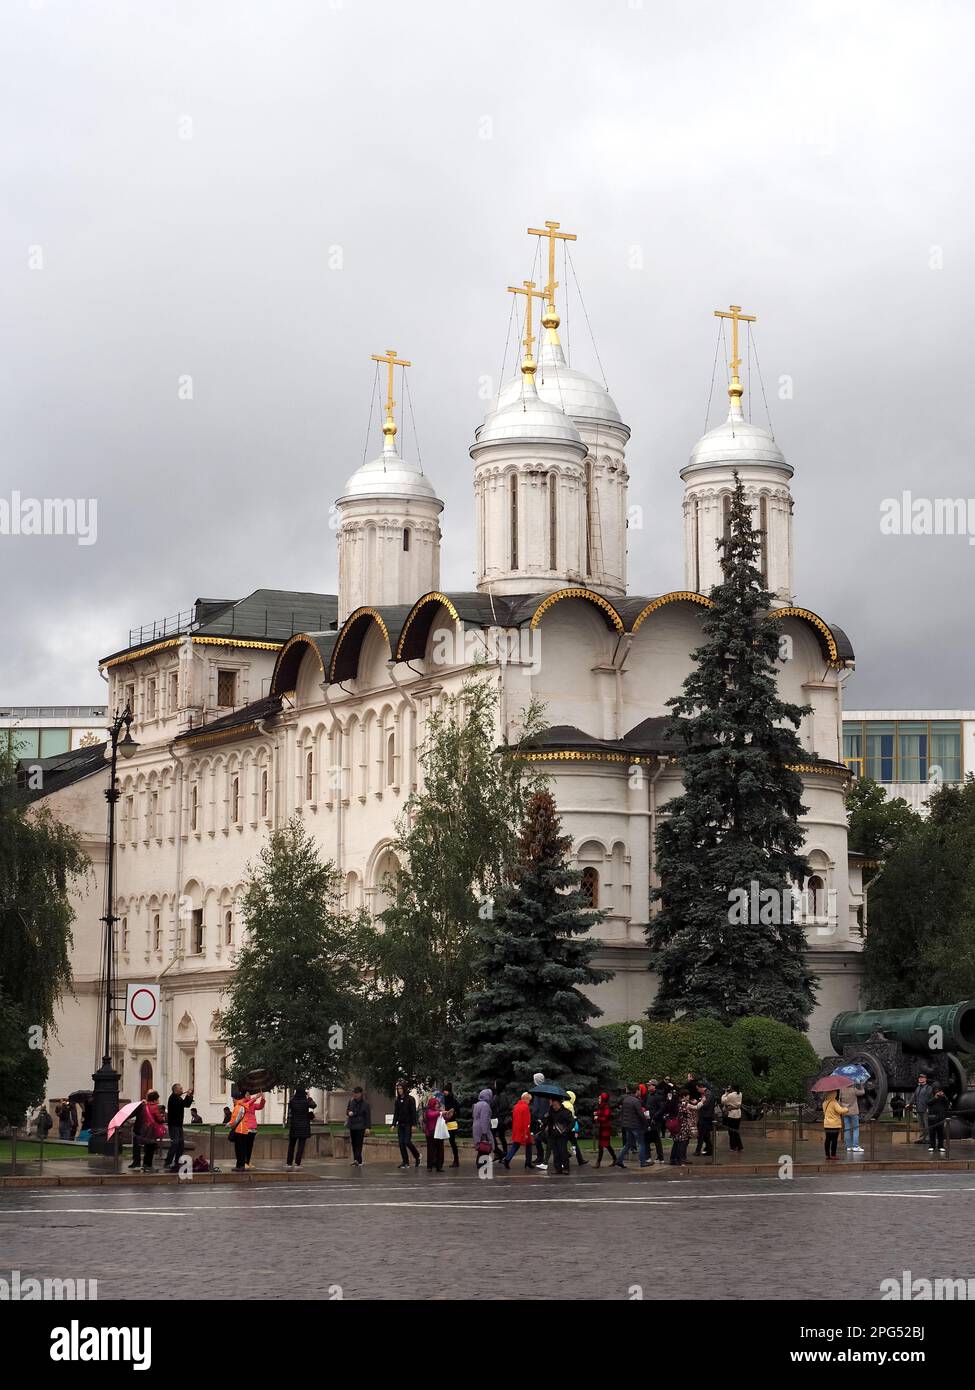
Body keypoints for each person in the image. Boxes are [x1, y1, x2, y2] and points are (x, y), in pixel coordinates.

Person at [615, 1083, 651, 1167]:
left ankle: (619, 1159)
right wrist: (646, 1124)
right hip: (636, 1125)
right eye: (639, 1090)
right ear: (637, 1090)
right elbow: (641, 1115)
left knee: (628, 1143)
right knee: (641, 1143)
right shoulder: (636, 1101)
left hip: (627, 1125)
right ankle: (643, 1161)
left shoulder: (626, 1100)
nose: (640, 1092)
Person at [163, 1083, 194, 1171]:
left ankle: (178, 1161)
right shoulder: (173, 1098)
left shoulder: (178, 1098)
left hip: (178, 1125)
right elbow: (183, 1104)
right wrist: (188, 1095)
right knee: (175, 1144)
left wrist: (189, 1096)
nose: (182, 1090)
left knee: (180, 1144)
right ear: (176, 1090)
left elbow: (187, 1104)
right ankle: (168, 1162)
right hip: (174, 1126)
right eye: (180, 1088)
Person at [286, 1086, 317, 1169]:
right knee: (301, 1146)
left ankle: (289, 1163)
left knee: (291, 1145)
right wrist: (309, 1097)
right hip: (304, 1127)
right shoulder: (306, 1102)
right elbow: (314, 1105)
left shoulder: (292, 1101)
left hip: (294, 1126)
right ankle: (297, 1163)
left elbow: (290, 1110)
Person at [503, 1092, 535, 1169]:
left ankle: (508, 1159)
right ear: (526, 1099)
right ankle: (527, 1162)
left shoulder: (516, 1106)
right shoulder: (525, 1107)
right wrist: (526, 1131)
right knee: (528, 1145)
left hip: (516, 1129)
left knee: (516, 1145)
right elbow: (527, 1121)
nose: (529, 1102)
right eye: (529, 1100)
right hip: (524, 1130)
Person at [393, 1081, 420, 1169]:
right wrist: (393, 1124)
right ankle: (405, 1162)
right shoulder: (397, 1100)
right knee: (401, 1143)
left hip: (408, 1123)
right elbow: (396, 1113)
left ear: (404, 1089)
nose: (399, 1090)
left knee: (407, 1141)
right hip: (400, 1124)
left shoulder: (410, 1099)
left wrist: (414, 1124)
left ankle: (417, 1155)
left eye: (401, 1088)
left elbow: (413, 1113)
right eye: (398, 1089)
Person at [541, 1099, 573, 1175]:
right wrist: (545, 1118)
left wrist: (566, 1130)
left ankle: (566, 1168)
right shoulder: (550, 1112)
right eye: (553, 1105)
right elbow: (546, 1122)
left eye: (556, 1105)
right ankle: (558, 1169)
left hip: (562, 1135)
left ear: (559, 1104)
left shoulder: (566, 1112)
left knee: (563, 1152)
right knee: (556, 1153)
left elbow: (572, 1122)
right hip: (552, 1134)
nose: (554, 1107)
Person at [137, 1090, 166, 1172]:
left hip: (144, 1128)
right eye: (157, 1099)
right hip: (151, 1129)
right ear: (154, 1100)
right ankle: (148, 1165)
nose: (158, 1100)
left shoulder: (144, 1106)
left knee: (147, 1147)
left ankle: (145, 1164)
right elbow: (159, 1119)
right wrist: (162, 1118)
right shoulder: (154, 1107)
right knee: (151, 1147)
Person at [345, 1086, 371, 1166]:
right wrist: (348, 1112)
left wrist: (367, 1127)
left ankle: (357, 1159)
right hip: (352, 1125)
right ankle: (357, 1159)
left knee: (359, 1143)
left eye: (357, 1093)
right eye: (354, 1093)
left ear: (360, 1093)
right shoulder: (351, 1101)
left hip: (360, 1126)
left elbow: (367, 1116)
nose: (355, 1095)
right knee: (354, 1143)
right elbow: (347, 1110)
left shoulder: (365, 1104)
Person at [472, 1087, 494, 1173]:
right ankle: (482, 1164)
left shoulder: (477, 1104)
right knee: (485, 1146)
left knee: (480, 1146)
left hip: (476, 1127)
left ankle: (480, 1163)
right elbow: (484, 1119)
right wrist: (485, 1132)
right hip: (482, 1128)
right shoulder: (485, 1105)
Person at [529, 1073, 549, 1170]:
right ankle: (540, 1156)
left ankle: (541, 1157)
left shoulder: (538, 1091)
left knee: (539, 1138)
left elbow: (536, 1106)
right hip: (544, 1117)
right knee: (541, 1138)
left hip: (540, 1118)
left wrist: (535, 1116)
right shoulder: (546, 1089)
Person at [838, 1081, 864, 1153]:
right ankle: (855, 1146)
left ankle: (848, 1146)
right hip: (854, 1112)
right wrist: (861, 1085)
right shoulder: (854, 1090)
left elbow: (838, 1100)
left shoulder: (841, 1090)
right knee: (856, 1129)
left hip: (845, 1111)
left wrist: (843, 1106)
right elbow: (862, 1092)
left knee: (847, 1129)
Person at [670, 1089, 694, 1166]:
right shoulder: (683, 1105)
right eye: (688, 1095)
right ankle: (679, 1159)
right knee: (682, 1143)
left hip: (677, 1125)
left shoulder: (676, 1103)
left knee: (677, 1142)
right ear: (684, 1096)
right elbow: (687, 1114)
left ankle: (674, 1159)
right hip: (682, 1126)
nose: (689, 1097)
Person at [243, 1089, 266, 1169]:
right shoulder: (243, 1103)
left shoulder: (252, 1103)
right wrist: (255, 1097)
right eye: (247, 1094)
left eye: (249, 1094)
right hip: (246, 1127)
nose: (249, 1096)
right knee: (245, 1146)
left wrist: (262, 1099)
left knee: (250, 1146)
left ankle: (248, 1162)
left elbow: (260, 1106)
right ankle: (244, 1162)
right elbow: (247, 1105)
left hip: (253, 1127)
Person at [822, 1090, 848, 1159]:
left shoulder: (824, 1103)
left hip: (827, 1124)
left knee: (827, 1139)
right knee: (834, 1140)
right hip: (834, 1124)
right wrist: (846, 1109)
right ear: (834, 1094)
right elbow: (840, 1111)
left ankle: (827, 1155)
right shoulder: (834, 1103)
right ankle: (833, 1155)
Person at [227, 1092, 250, 1171]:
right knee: (242, 1149)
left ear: (236, 1098)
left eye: (233, 1098)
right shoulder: (243, 1105)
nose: (232, 1100)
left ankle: (240, 1166)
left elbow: (235, 1119)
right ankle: (240, 1165)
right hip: (244, 1130)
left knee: (239, 1149)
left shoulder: (238, 1107)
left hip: (239, 1130)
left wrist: (228, 1125)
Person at [593, 1092, 616, 1168]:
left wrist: (597, 1117)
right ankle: (614, 1159)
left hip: (605, 1128)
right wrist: (597, 1113)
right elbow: (601, 1114)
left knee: (604, 1145)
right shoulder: (601, 1106)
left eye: (600, 1098)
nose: (598, 1099)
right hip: (601, 1127)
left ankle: (598, 1162)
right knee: (605, 1145)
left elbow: (605, 1118)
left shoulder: (606, 1107)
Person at [441, 1083, 461, 1168]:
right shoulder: (443, 1099)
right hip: (444, 1123)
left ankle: (456, 1160)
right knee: (440, 1141)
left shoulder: (453, 1100)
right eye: (444, 1091)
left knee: (452, 1142)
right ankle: (438, 1160)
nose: (444, 1092)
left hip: (451, 1123)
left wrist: (453, 1112)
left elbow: (457, 1110)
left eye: (446, 1091)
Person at [645, 1083, 666, 1162]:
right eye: (648, 1085)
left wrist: (655, 1116)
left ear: (654, 1086)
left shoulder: (658, 1096)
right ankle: (650, 1157)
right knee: (648, 1138)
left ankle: (660, 1158)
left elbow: (662, 1108)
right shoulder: (649, 1095)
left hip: (655, 1120)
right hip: (649, 1119)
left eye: (650, 1085)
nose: (648, 1087)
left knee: (656, 1139)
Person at [694, 1082, 716, 1157]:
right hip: (705, 1116)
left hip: (706, 1117)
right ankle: (710, 1149)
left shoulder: (708, 1094)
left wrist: (698, 1103)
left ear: (701, 1087)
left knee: (701, 1134)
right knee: (706, 1135)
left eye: (698, 1089)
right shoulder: (707, 1094)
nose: (697, 1090)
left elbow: (706, 1105)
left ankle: (698, 1150)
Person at [424, 1093, 444, 1172]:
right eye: (435, 1104)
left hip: (439, 1132)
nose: (437, 1105)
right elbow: (431, 1115)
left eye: (437, 1104)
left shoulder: (439, 1111)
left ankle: (439, 1166)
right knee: (431, 1150)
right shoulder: (429, 1111)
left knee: (440, 1150)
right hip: (431, 1133)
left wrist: (447, 1115)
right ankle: (430, 1166)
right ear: (432, 1104)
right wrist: (441, 1113)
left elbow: (444, 1119)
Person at [911, 1074, 933, 1145]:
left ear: (925, 1079)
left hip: (925, 1109)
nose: (920, 1079)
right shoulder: (918, 1088)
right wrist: (909, 1104)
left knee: (926, 1124)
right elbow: (914, 1097)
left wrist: (928, 1107)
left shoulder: (928, 1088)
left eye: (922, 1078)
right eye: (919, 1078)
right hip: (918, 1108)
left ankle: (928, 1138)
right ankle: (922, 1138)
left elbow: (929, 1098)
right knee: (921, 1124)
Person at [926, 1088, 949, 1154]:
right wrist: (935, 1098)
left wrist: (944, 1096)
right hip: (932, 1117)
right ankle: (932, 1146)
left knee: (940, 1133)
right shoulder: (930, 1096)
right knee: (932, 1133)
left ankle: (941, 1146)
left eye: (939, 1091)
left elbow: (947, 1104)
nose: (938, 1092)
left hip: (940, 1118)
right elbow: (928, 1103)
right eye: (936, 1091)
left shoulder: (943, 1097)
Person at [721, 1084, 744, 1153]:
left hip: (732, 1114)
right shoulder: (740, 1094)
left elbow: (723, 1101)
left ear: (732, 1088)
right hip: (738, 1113)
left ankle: (733, 1146)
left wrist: (725, 1093)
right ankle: (739, 1146)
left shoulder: (731, 1095)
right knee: (736, 1131)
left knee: (731, 1131)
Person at [491, 1081, 508, 1161]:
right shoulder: (497, 1095)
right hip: (496, 1119)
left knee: (500, 1136)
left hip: (499, 1120)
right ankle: (500, 1153)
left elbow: (503, 1108)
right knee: (497, 1136)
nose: (494, 1086)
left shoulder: (502, 1096)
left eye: (495, 1084)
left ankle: (503, 1154)